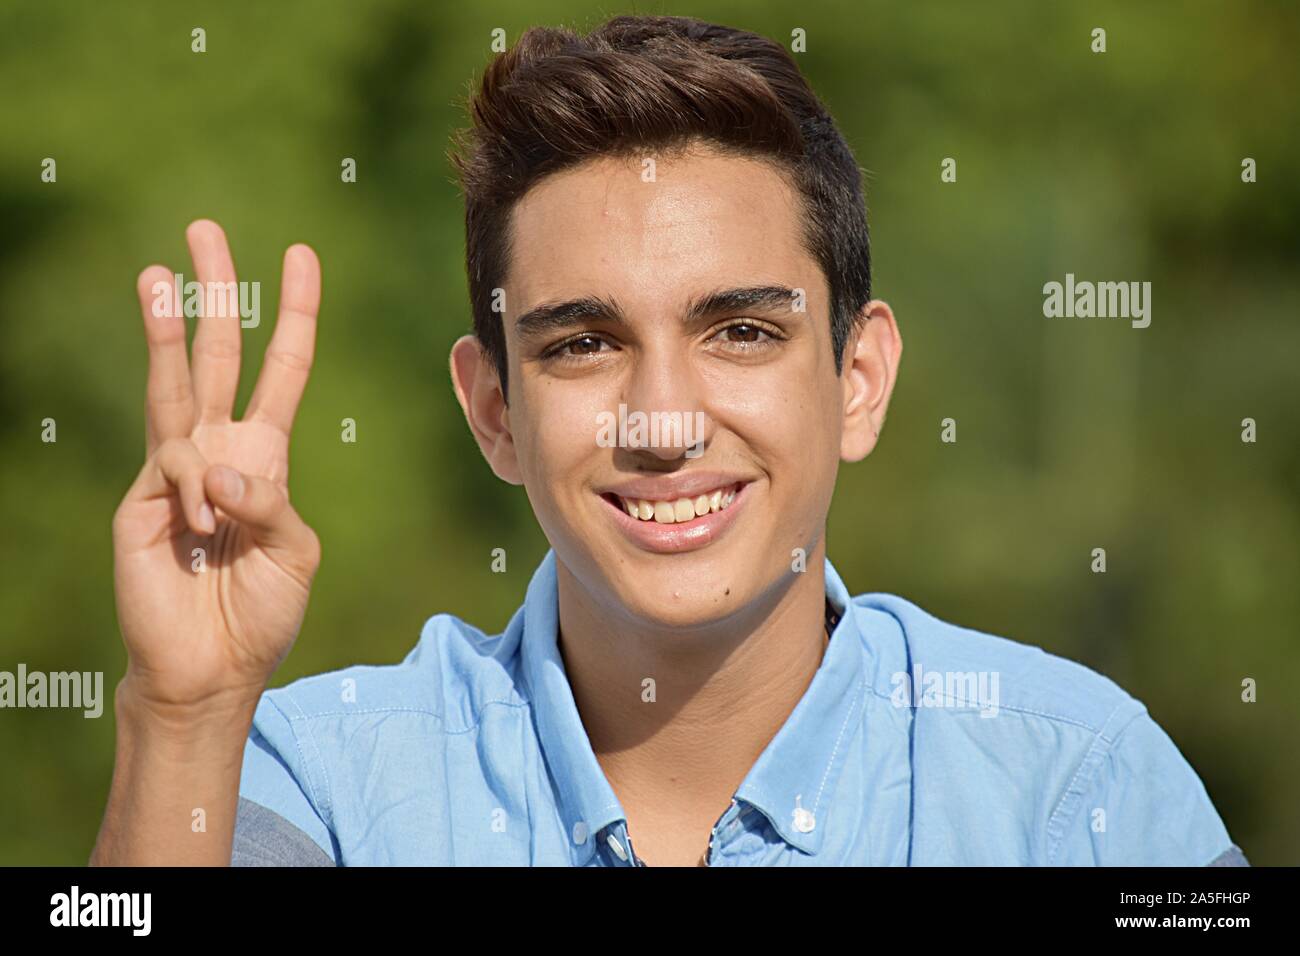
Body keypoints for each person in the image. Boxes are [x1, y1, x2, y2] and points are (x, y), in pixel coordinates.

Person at [90, 15, 1246, 867]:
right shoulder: (324, 780)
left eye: (740, 331)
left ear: (857, 379)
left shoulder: (1070, 785)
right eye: (583, 343)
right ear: (494, 411)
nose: (663, 420)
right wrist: (183, 716)